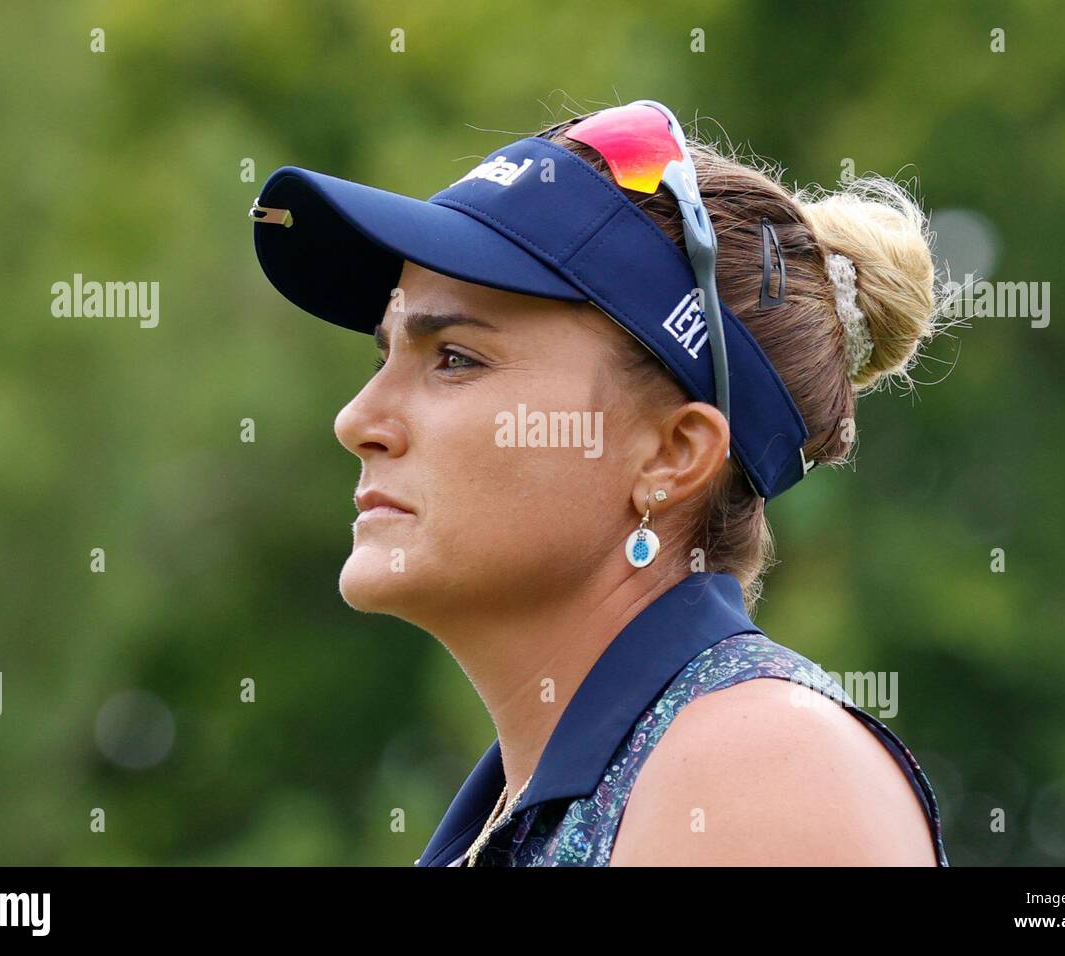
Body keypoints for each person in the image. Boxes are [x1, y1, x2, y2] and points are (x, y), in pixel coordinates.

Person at [248, 99, 950, 866]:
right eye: (381, 359)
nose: (358, 419)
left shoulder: (759, 772)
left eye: (454, 358)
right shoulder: (523, 816)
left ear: (673, 455)